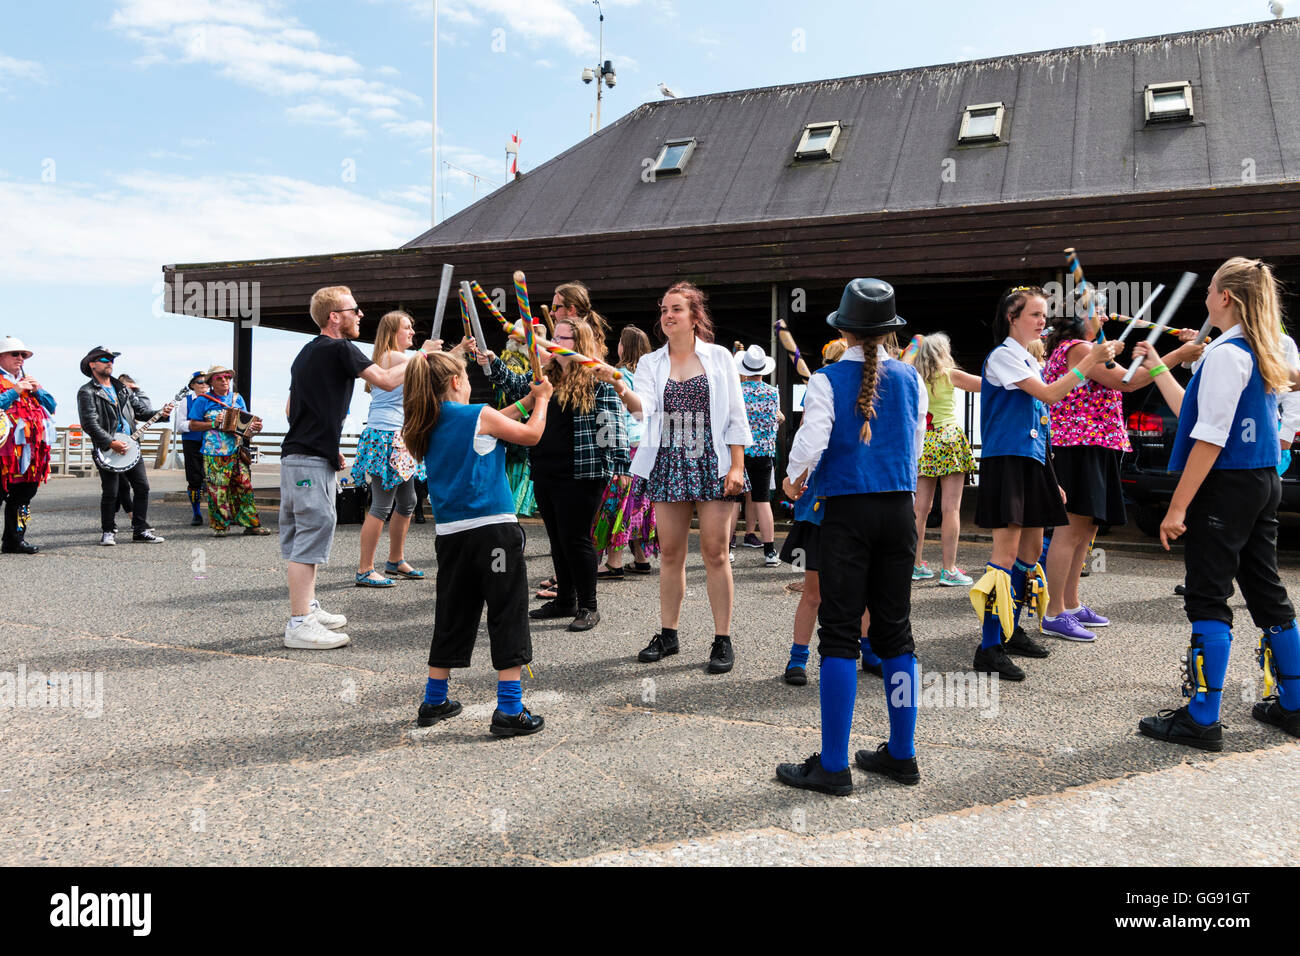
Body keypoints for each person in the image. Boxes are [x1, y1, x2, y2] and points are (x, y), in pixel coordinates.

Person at [1134, 258, 1300, 747]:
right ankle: (1293, 705)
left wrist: (1177, 507)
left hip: (1227, 485)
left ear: (1224, 298)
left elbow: (1209, 436)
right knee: (1266, 591)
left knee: (1208, 595)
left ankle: (1202, 717)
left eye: (1210, 290)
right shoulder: (1259, 349)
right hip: (1261, 478)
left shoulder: (1229, 354)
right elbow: (1193, 409)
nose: (1205, 297)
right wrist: (1170, 363)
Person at [775, 278, 927, 794]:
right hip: (898, 510)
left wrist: (794, 479)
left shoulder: (825, 379)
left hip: (847, 510)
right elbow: (915, 440)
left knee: (838, 632)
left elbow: (813, 437)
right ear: (888, 332)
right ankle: (902, 755)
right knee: (896, 632)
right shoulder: (912, 377)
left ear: (842, 327)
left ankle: (834, 765)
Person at [403, 350, 553, 737]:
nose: (470, 383)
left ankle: (434, 699)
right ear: (456, 382)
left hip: (451, 536)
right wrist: (545, 401)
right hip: (494, 534)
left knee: (453, 612)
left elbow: (498, 422)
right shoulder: (479, 415)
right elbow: (532, 435)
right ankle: (509, 708)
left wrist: (529, 399)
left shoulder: (425, 423)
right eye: (467, 378)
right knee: (507, 609)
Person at [969, 289, 1118, 681]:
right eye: (1034, 314)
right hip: (1007, 462)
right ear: (1011, 317)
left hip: (1032, 463)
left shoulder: (1027, 359)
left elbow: (1042, 422)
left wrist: (1051, 477)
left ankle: (1010, 629)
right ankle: (987, 648)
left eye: (1044, 314)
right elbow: (1051, 395)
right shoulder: (1002, 355)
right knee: (1004, 555)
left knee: (1032, 550)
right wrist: (1090, 363)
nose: (1041, 321)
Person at [612, 282, 752, 674]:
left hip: (712, 459)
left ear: (694, 316)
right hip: (668, 461)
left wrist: (737, 466)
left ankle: (722, 639)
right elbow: (643, 411)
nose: (667, 316)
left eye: (676, 309)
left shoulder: (720, 357)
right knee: (670, 554)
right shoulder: (650, 363)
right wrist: (621, 387)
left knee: (716, 552)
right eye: (664, 310)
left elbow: (735, 414)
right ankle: (669, 634)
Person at [279, 286, 422, 650]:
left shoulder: (307, 353)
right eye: (355, 310)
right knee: (310, 536)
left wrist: (327, 446)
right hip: (307, 458)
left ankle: (308, 607)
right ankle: (299, 623)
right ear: (334, 317)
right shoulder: (341, 348)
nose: (361, 316)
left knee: (311, 532)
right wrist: (425, 360)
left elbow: (290, 409)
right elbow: (388, 381)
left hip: (308, 455)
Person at [479, 316, 629, 632]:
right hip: (546, 468)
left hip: (584, 472)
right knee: (558, 540)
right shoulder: (545, 375)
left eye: (565, 338)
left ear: (581, 344)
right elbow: (516, 385)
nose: (556, 342)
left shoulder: (596, 379)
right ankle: (565, 600)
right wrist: (492, 362)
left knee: (576, 540)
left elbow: (613, 425)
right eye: (555, 336)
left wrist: (618, 468)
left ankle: (589, 606)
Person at [1038, 296, 1162, 640]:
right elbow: (1127, 382)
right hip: (1078, 445)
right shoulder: (1078, 348)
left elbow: (1124, 377)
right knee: (1072, 529)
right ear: (1079, 317)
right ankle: (1054, 613)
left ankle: (1071, 604)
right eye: (1098, 309)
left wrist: (1138, 361)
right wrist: (1174, 358)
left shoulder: (1087, 348)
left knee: (1087, 528)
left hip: (1096, 443)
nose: (1105, 315)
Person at [778, 337, 878, 685]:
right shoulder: (823, 390)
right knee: (821, 591)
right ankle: (801, 658)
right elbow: (810, 442)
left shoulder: (868, 397)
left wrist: (791, 481)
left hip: (844, 505)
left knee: (837, 592)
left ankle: (861, 652)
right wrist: (795, 479)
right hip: (821, 509)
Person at [351, 311, 427, 586]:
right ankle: (364, 569)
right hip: (387, 436)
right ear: (392, 331)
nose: (412, 332)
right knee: (382, 505)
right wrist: (430, 352)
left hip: (397, 436)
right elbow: (427, 366)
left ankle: (395, 560)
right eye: (407, 328)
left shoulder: (395, 358)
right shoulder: (395, 357)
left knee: (408, 502)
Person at [76, 347, 174, 545]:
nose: (109, 362)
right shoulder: (87, 391)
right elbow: (89, 423)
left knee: (142, 487)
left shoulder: (122, 389)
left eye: (112, 359)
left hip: (131, 446)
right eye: (104, 359)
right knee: (111, 491)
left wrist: (161, 413)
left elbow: (140, 411)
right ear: (92, 364)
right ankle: (108, 531)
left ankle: (140, 530)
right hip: (107, 448)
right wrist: (110, 442)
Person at [910, 333, 980, 586]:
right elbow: (985, 384)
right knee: (951, 508)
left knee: (920, 508)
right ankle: (949, 569)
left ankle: (915, 565)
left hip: (923, 441)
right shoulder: (950, 374)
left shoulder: (913, 377)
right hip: (949, 439)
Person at [593, 324, 658, 579]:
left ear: (625, 346)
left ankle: (614, 562)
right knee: (639, 502)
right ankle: (641, 559)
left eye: (620, 341)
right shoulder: (649, 375)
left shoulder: (618, 374)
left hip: (627, 443)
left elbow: (615, 412)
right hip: (648, 444)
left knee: (618, 501)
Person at [188, 364, 268, 536]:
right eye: (219, 378)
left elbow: (246, 425)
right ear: (211, 382)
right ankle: (220, 526)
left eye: (227, 377)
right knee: (217, 489)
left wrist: (255, 427)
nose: (224, 381)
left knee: (244, 487)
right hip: (214, 452)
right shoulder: (203, 400)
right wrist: (213, 424)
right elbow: (193, 425)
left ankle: (251, 524)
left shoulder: (237, 399)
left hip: (236, 451)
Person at [0, 337, 55, 554]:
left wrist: (36, 390)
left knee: (24, 500)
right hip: (3, 453)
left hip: (30, 455)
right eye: (15, 354)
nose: (21, 359)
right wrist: (15, 390)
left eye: (23, 355)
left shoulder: (30, 382)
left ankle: (15, 540)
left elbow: (52, 405)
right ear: (1, 357)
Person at [732, 344, 784, 567]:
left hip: (740, 452)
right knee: (762, 501)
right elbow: (777, 420)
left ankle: (728, 548)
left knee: (734, 501)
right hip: (764, 453)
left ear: (744, 369)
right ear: (764, 370)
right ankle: (770, 552)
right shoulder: (773, 393)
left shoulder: (738, 392)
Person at [174, 371, 209, 526]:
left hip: (212, 443)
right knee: (194, 479)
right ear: (192, 385)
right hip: (192, 443)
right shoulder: (186, 401)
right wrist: (198, 425)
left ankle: (220, 512)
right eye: (200, 382)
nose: (203, 385)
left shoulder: (214, 400)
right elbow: (180, 426)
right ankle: (196, 513)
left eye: (206, 382)